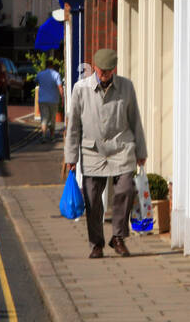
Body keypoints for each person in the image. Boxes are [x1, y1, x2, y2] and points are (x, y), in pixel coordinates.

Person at [62, 48, 147, 258]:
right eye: (101, 71)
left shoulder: (126, 87)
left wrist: (141, 150)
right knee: (91, 198)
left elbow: (135, 119)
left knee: (125, 190)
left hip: (122, 147)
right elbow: (73, 126)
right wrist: (71, 157)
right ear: (94, 67)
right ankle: (96, 244)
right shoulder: (80, 89)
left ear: (114, 69)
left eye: (108, 71)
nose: (104, 75)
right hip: (93, 150)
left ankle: (118, 237)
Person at [35, 57, 63, 142]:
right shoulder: (56, 74)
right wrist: (62, 98)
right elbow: (60, 87)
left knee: (44, 118)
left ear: (46, 66)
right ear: (52, 66)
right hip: (53, 100)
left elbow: (36, 81)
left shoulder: (40, 74)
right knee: (52, 119)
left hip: (42, 100)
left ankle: (43, 136)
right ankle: (52, 136)